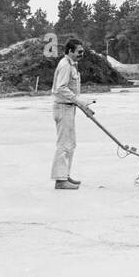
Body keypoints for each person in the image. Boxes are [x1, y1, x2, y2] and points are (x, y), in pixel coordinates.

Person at [51, 38, 96, 190]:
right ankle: (60, 180)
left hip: (69, 107)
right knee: (64, 144)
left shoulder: (72, 65)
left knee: (70, 143)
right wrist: (78, 100)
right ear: (70, 51)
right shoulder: (65, 65)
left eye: (82, 52)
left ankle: (65, 175)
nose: (81, 54)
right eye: (79, 52)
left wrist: (80, 103)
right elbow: (61, 88)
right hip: (63, 107)